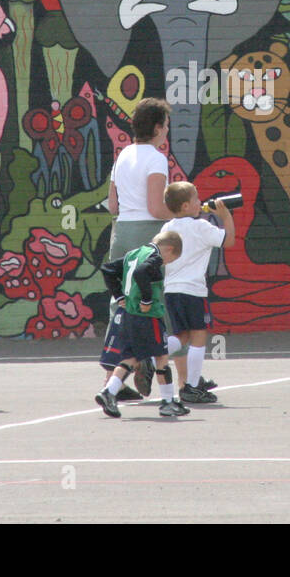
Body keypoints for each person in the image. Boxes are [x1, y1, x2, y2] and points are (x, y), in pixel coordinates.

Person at [100, 97, 173, 400]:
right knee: (152, 302)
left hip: (122, 233)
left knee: (120, 305)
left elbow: (113, 205)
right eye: (166, 126)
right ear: (157, 127)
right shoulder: (156, 159)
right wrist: (182, 214)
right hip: (148, 235)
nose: (167, 131)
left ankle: (111, 380)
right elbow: (157, 208)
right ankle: (166, 377)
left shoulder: (123, 155)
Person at [95, 230, 189, 418]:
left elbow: (108, 269)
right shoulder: (154, 257)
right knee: (162, 356)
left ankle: (109, 391)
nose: (166, 263)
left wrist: (119, 295)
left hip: (129, 315)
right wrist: (146, 300)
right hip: (148, 316)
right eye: (169, 260)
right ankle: (168, 402)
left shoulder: (133, 254)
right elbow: (141, 272)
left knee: (131, 356)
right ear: (169, 249)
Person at [162, 182, 234, 403]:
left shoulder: (167, 228)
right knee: (199, 334)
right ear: (185, 206)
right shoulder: (200, 227)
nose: (200, 202)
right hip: (193, 290)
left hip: (172, 290)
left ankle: (153, 354)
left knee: (182, 335)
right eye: (196, 199)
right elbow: (228, 241)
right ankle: (192, 386)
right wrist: (226, 216)